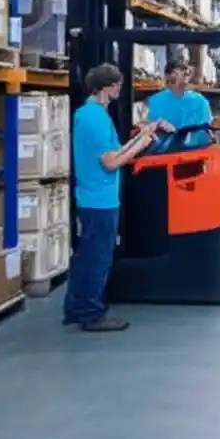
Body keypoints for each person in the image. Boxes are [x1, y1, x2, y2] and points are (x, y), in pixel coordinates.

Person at [65, 63, 162, 332]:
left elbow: (115, 151)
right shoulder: (94, 118)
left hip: (94, 196)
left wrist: (140, 139)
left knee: (87, 256)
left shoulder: (91, 114)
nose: (120, 88)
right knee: (97, 258)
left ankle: (77, 307)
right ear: (106, 87)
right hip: (99, 198)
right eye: (117, 84)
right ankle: (92, 314)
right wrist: (141, 146)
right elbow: (111, 162)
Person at [147, 58, 213, 148]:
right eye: (178, 73)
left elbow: (205, 131)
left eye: (186, 73)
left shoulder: (200, 101)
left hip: (195, 150)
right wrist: (160, 124)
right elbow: (152, 129)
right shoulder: (155, 100)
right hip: (165, 151)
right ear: (167, 76)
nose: (184, 76)